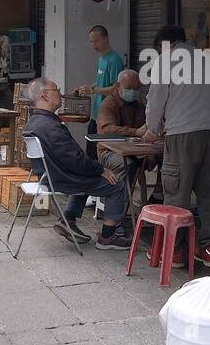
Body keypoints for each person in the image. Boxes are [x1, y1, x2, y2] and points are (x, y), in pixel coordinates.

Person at [143, 26, 210, 267]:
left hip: (181, 135)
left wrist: (152, 128)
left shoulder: (165, 60)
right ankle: (209, 249)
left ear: (164, 45)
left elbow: (156, 100)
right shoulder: (207, 59)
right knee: (209, 193)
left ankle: (175, 252)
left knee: (177, 193)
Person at [23, 77, 131, 251]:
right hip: (62, 178)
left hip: (48, 175)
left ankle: (68, 219)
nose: (60, 93)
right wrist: (101, 169)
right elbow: (77, 162)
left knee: (86, 176)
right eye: (56, 90)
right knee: (116, 184)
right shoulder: (50, 126)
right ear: (45, 96)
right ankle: (107, 236)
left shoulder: (34, 122)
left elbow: (74, 161)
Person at [96, 69, 162, 212]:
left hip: (135, 150)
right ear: (118, 86)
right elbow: (107, 128)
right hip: (108, 153)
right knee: (128, 165)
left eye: (137, 88)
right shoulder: (108, 104)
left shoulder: (138, 105)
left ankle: (158, 197)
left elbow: (149, 125)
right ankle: (115, 215)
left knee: (167, 158)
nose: (133, 91)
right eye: (129, 88)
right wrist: (135, 132)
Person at [76, 25, 126, 160]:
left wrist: (93, 90)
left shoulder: (114, 60)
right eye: (91, 42)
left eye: (97, 41)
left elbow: (116, 89)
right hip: (96, 112)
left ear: (106, 39)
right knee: (91, 150)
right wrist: (88, 88)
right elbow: (101, 82)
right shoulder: (101, 59)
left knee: (100, 153)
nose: (94, 45)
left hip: (107, 113)